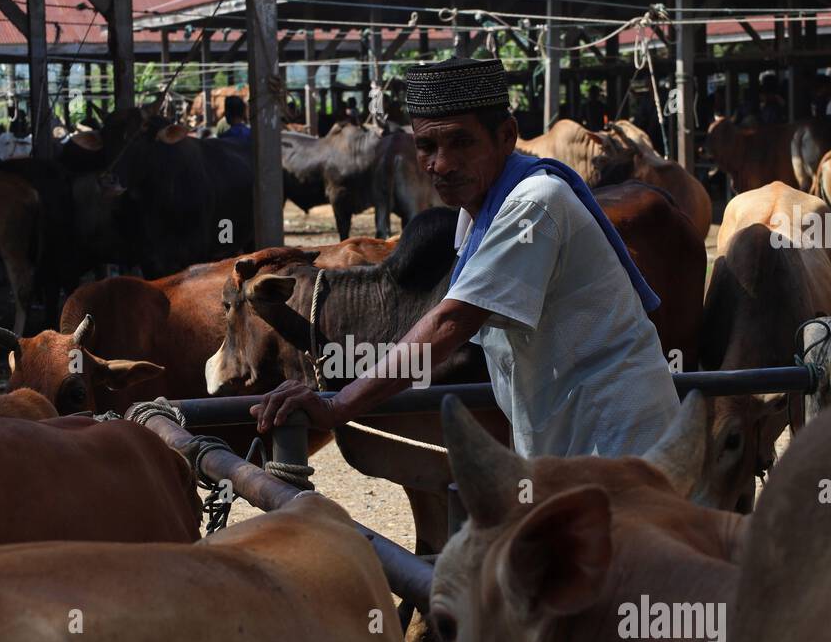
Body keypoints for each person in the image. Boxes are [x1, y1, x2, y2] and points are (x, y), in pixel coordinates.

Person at [251, 57, 680, 460]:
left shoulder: (535, 202)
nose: (441, 163)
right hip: (566, 443)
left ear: (507, 136)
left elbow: (452, 321)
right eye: (426, 145)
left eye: (461, 142)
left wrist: (338, 404)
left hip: (618, 439)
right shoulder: (474, 218)